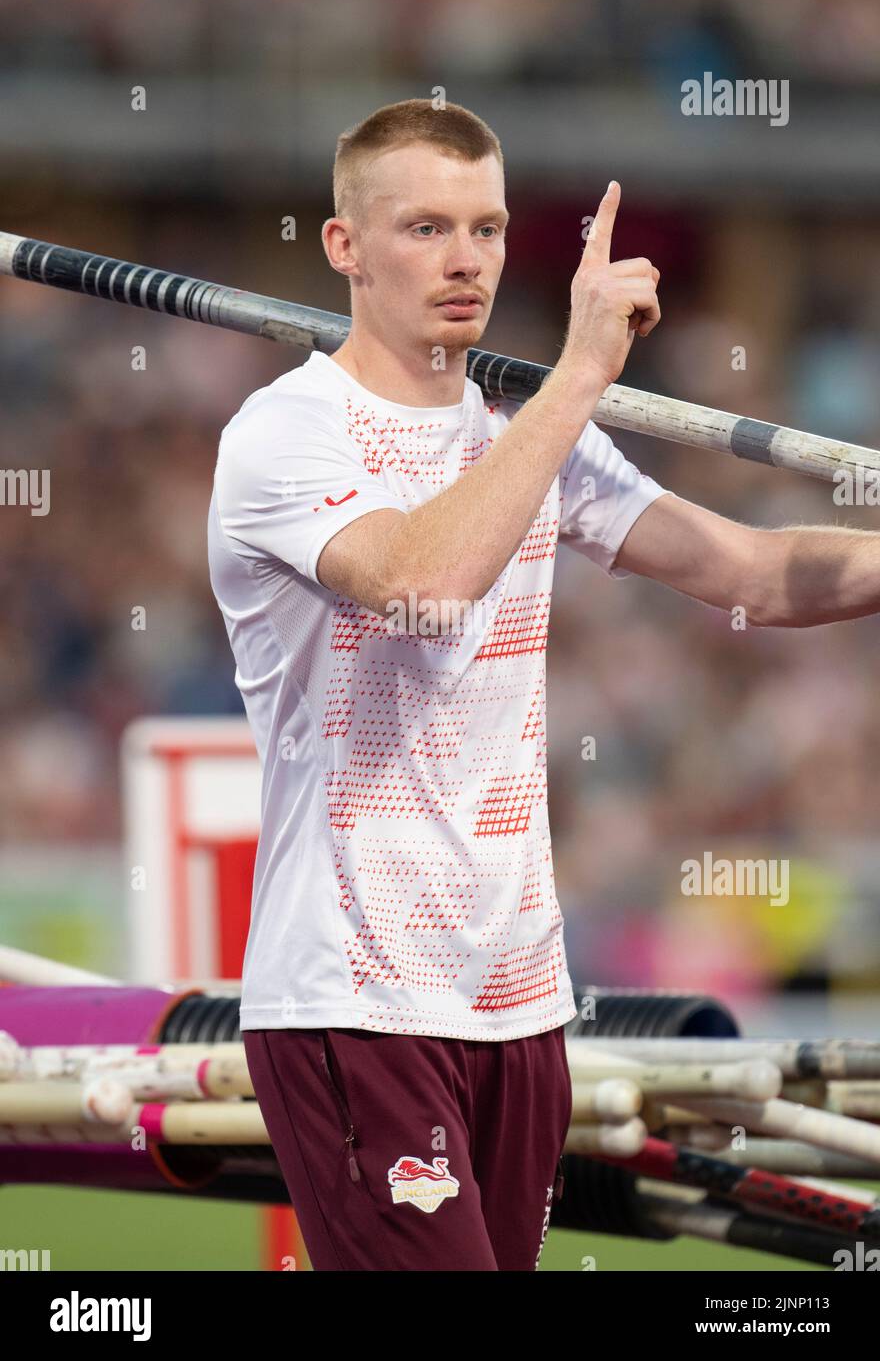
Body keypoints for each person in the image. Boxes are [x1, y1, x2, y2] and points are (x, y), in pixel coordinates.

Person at [208, 98, 880, 1271]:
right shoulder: (286, 435)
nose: (464, 259)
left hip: (519, 996)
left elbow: (761, 576)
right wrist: (576, 378)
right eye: (423, 227)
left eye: (486, 227)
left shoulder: (532, 430)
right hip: (356, 995)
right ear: (343, 246)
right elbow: (426, 580)